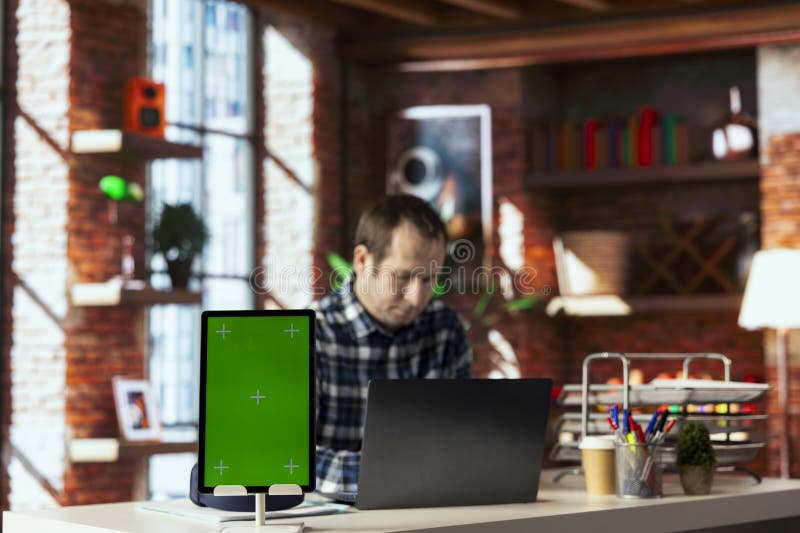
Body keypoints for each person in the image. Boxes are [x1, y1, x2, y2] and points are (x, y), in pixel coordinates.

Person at [313, 194, 473, 497]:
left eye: (428, 279)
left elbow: (462, 437)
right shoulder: (310, 337)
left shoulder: (445, 329)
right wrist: (393, 473)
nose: (416, 297)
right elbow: (292, 463)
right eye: (402, 277)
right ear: (362, 261)